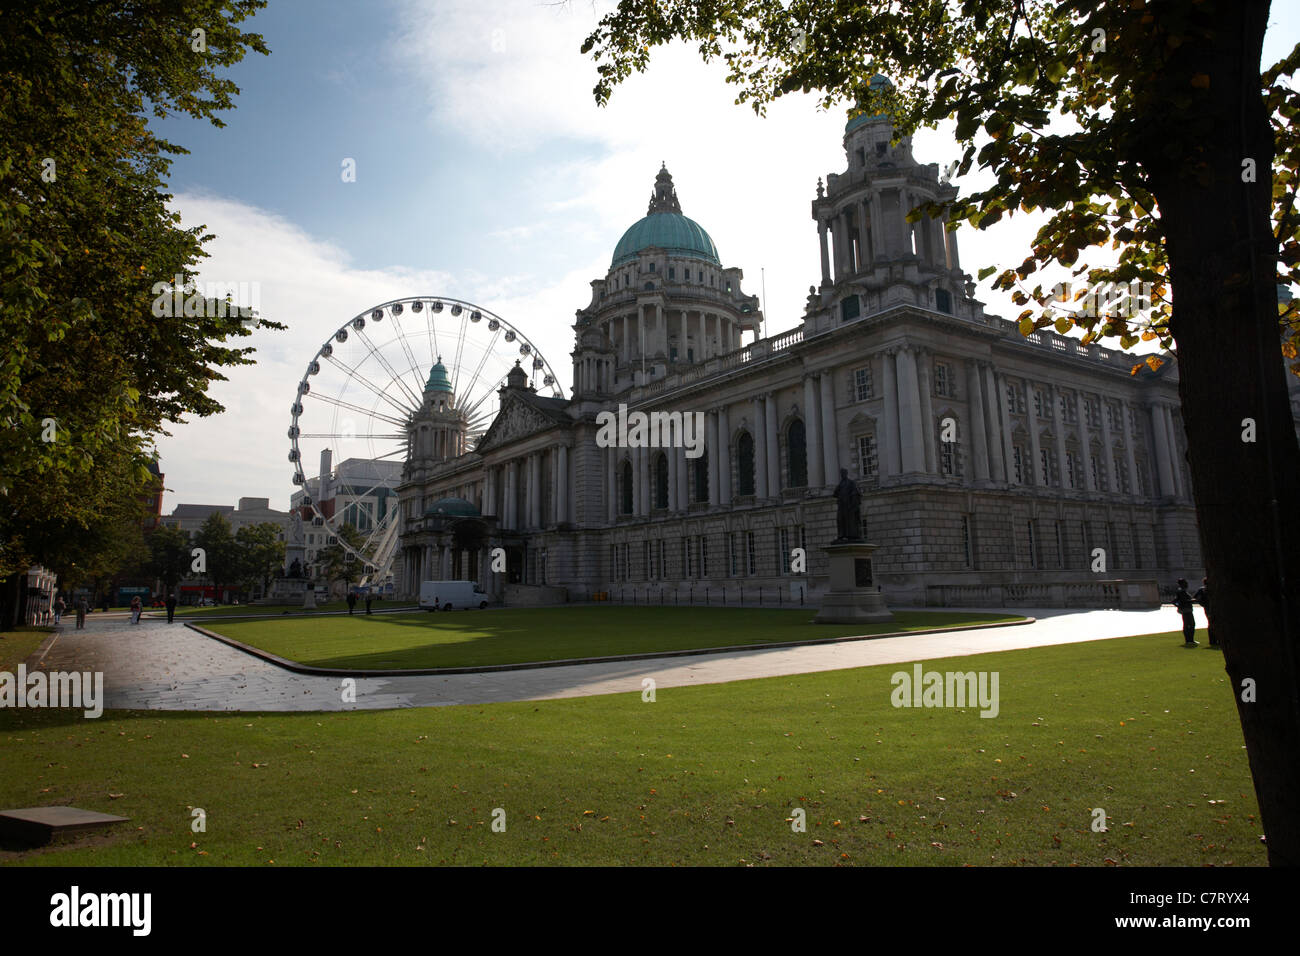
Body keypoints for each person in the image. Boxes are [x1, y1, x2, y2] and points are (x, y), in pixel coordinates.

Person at [1192, 577, 1217, 647]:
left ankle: (1213, 640)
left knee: (1211, 623)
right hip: (1210, 607)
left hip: (1207, 608)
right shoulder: (1207, 589)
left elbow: (1195, 597)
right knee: (1213, 623)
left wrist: (1202, 603)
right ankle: (1213, 640)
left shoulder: (1202, 589)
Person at [1174, 578, 1197, 647]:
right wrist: (1192, 601)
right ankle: (1189, 640)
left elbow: (1175, 601)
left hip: (1186, 609)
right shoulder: (1181, 591)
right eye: (1185, 582)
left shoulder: (1181, 591)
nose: (1187, 584)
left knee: (1188, 624)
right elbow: (1184, 601)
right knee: (1190, 624)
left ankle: (1190, 640)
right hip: (1186, 609)